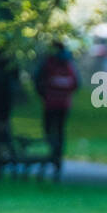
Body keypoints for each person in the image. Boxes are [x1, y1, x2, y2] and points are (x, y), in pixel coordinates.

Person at [34, 42, 79, 180]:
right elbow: (76, 83)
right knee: (59, 130)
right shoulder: (68, 63)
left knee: (49, 128)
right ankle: (57, 156)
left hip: (50, 103)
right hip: (63, 104)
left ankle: (54, 153)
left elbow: (37, 80)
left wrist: (45, 94)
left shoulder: (48, 63)